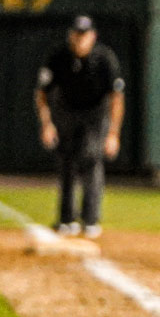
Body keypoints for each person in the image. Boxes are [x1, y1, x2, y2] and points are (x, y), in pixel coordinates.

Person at [35, 15, 124, 239]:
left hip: (95, 115)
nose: (79, 40)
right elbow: (41, 93)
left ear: (92, 36)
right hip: (67, 112)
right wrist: (47, 124)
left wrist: (113, 133)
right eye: (76, 34)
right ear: (70, 35)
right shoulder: (58, 57)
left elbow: (116, 98)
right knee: (66, 162)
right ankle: (66, 219)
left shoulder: (105, 59)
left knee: (90, 158)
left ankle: (91, 219)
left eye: (84, 35)